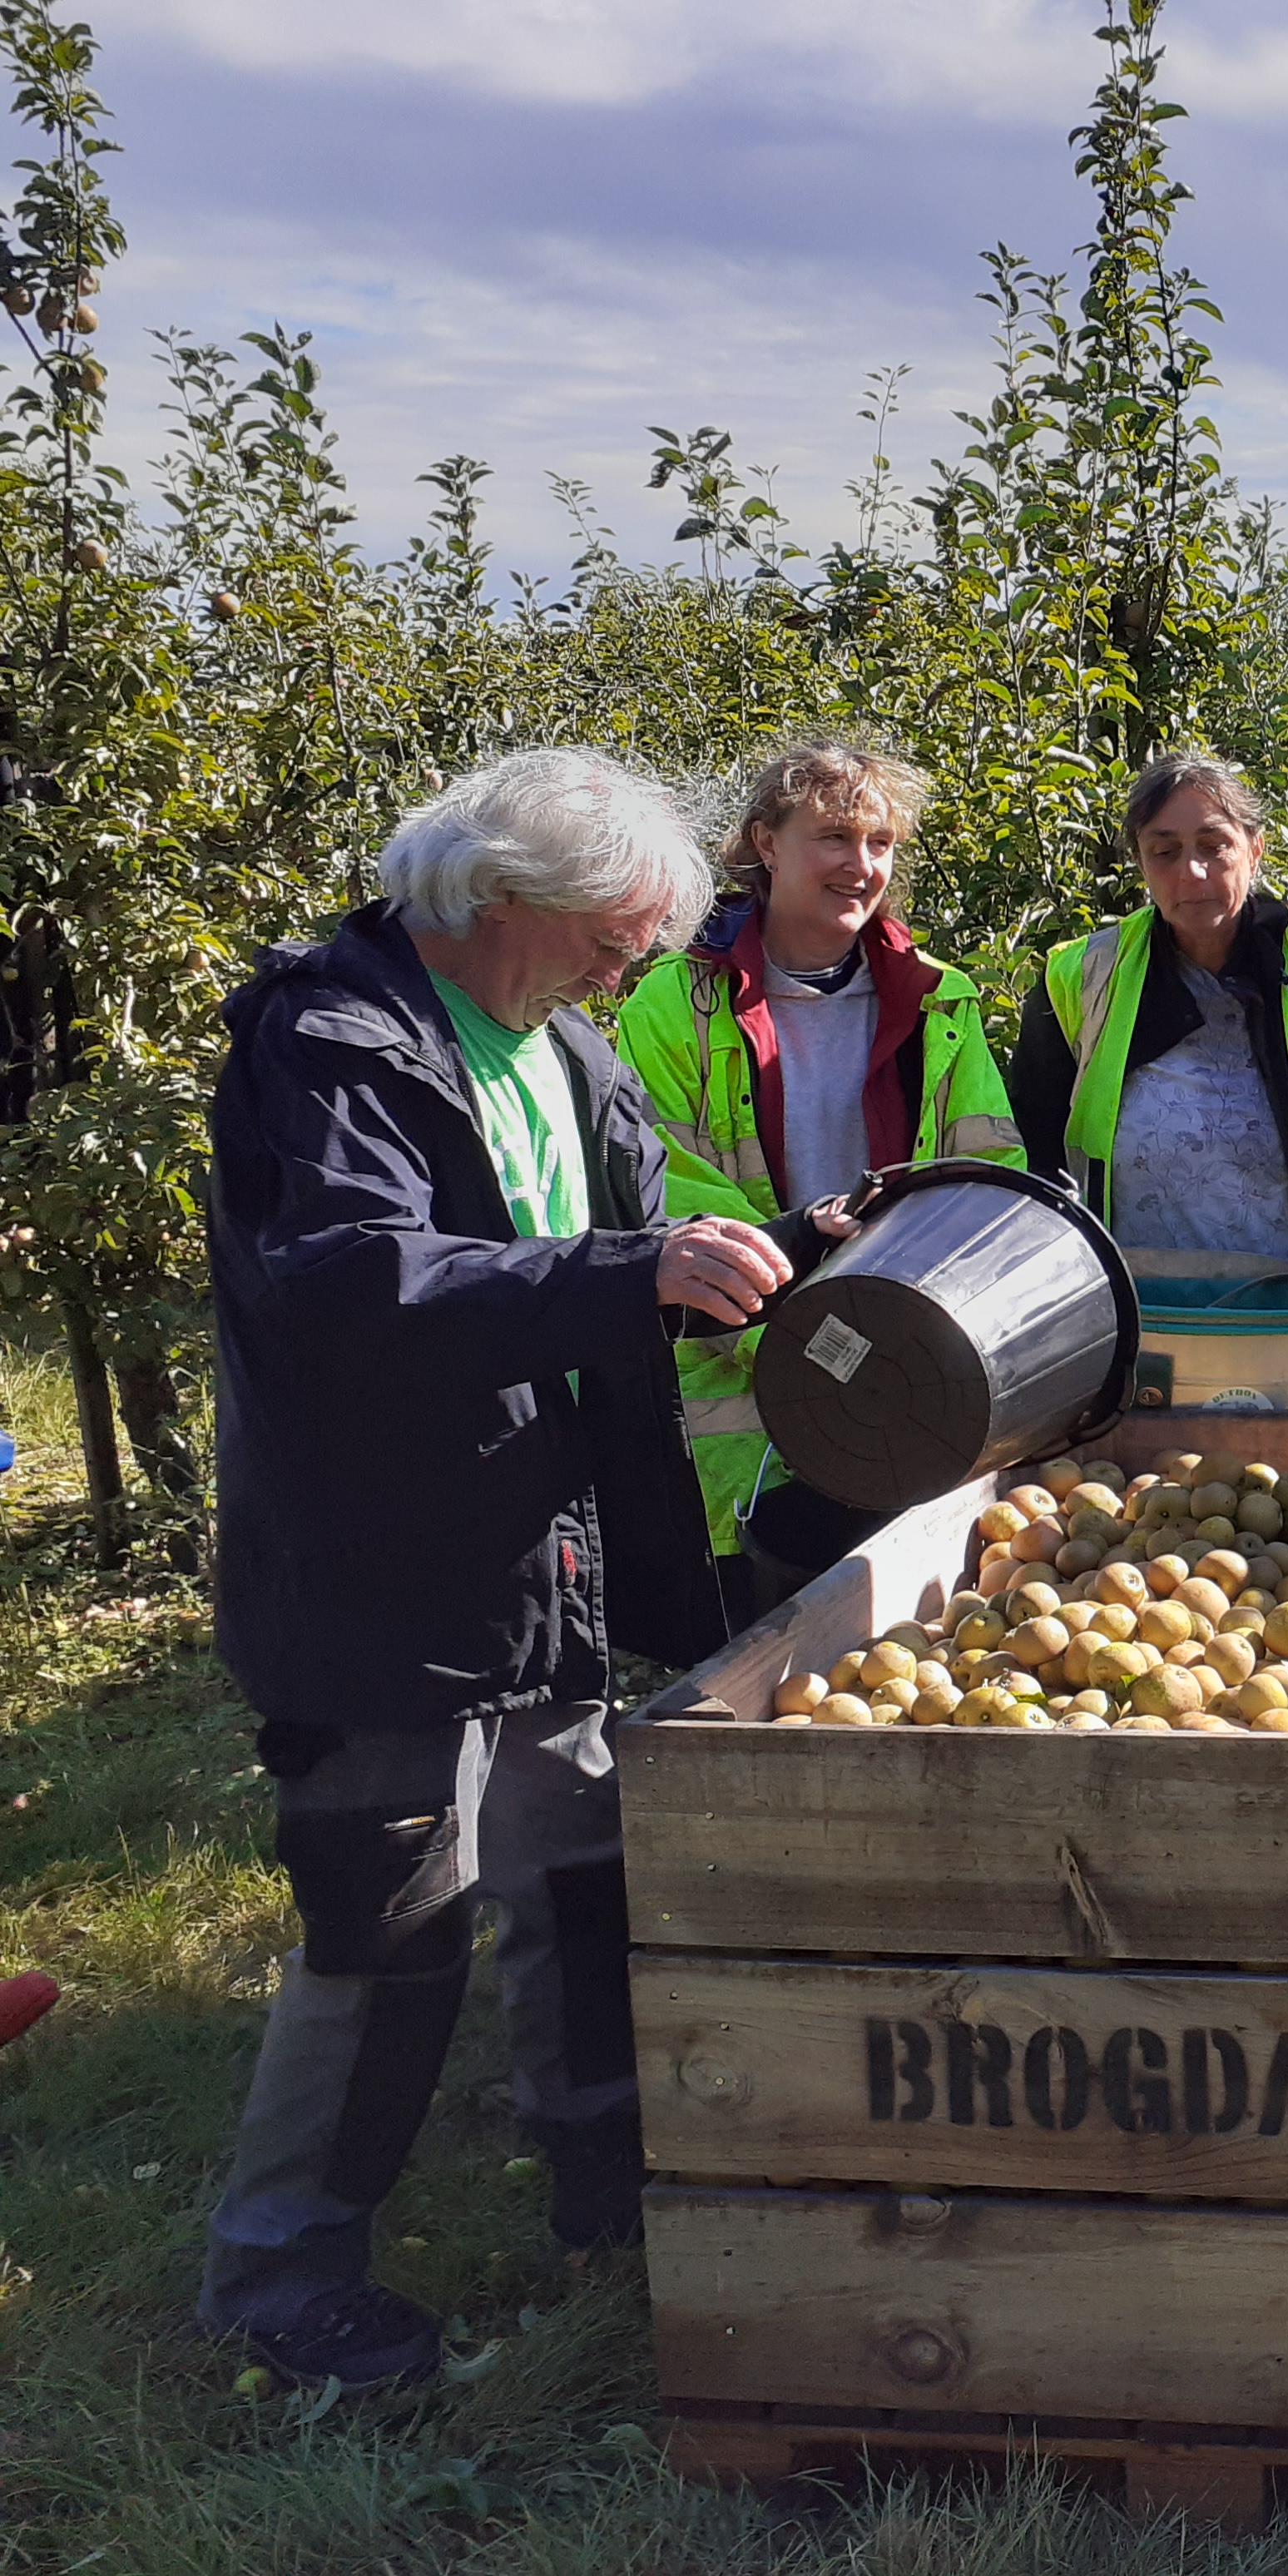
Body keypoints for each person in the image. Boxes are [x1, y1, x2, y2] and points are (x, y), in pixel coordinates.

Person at [201, 748, 800, 2387]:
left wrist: (780, 1251)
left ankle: (608, 2188)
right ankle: (279, 2280)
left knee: (582, 1880)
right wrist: (629, 1265)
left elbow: (618, 1265)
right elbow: (356, 1287)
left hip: (547, 1558)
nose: (633, 970)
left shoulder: (574, 1057)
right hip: (385, 1572)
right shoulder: (332, 1046)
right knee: (390, 1916)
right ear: (495, 898)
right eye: (613, 936)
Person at [616, 739, 1020, 1619]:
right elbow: (666, 1192)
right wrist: (808, 1337)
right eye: (836, 836)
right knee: (759, 1648)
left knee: (904, 1646)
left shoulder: (939, 1000)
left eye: (880, 844)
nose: (862, 865)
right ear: (766, 841)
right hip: (745, 1390)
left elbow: (989, 1178)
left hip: (910, 1379)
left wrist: (915, 1337)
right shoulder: (673, 1004)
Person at [1013, 751, 1288, 1404]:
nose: (1193, 873)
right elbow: (1034, 1150)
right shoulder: (1081, 980)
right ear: (1141, 863)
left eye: (1215, 845)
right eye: (1165, 852)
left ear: (1255, 850)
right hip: (1133, 1321)